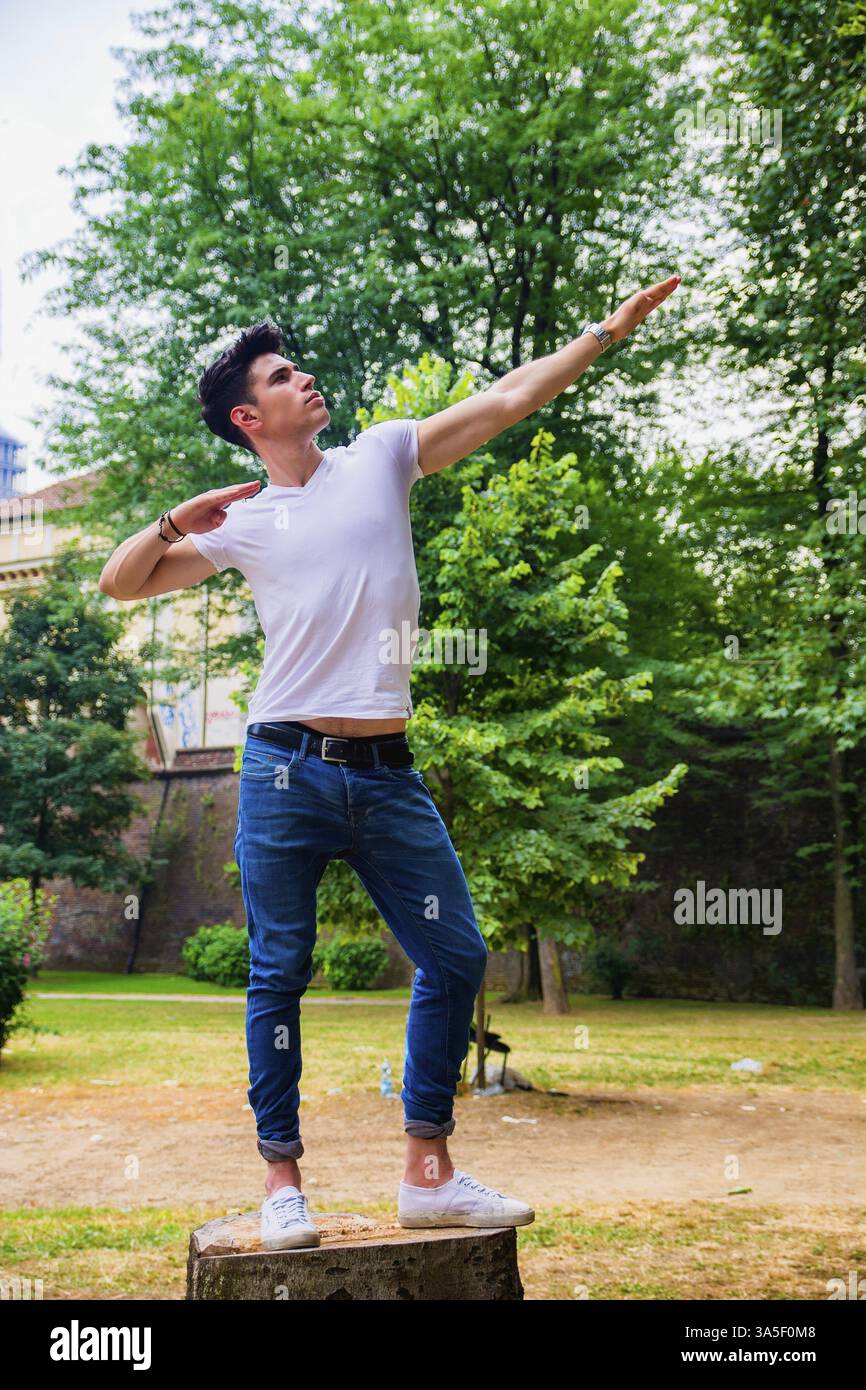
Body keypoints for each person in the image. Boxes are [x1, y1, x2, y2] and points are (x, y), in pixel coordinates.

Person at [98, 275, 680, 1249]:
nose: (306, 377)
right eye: (284, 376)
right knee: (278, 971)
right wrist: (172, 522)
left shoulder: (380, 457)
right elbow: (121, 586)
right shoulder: (237, 524)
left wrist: (601, 332)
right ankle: (283, 1184)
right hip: (282, 768)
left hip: (386, 770)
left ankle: (427, 1171)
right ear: (249, 416)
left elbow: (506, 399)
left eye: (301, 366)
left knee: (453, 952)